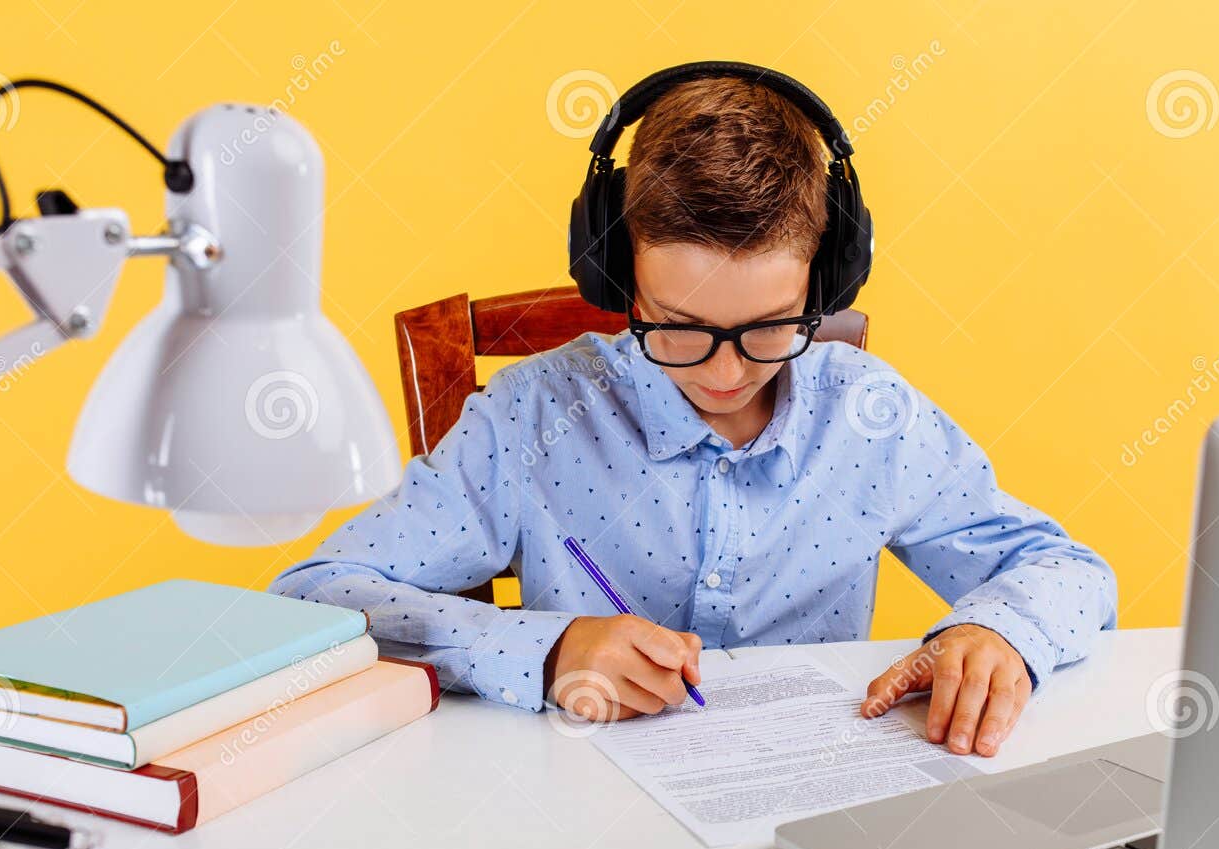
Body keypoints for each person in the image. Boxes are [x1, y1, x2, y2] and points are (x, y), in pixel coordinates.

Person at [271, 65, 1117, 759]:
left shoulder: (872, 417)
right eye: (679, 327)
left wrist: (996, 630)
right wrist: (548, 646)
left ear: (824, 285)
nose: (723, 371)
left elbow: (1074, 572)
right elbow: (313, 598)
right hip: (570, 827)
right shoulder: (530, 419)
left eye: (769, 326)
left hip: (798, 810)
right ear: (618, 279)